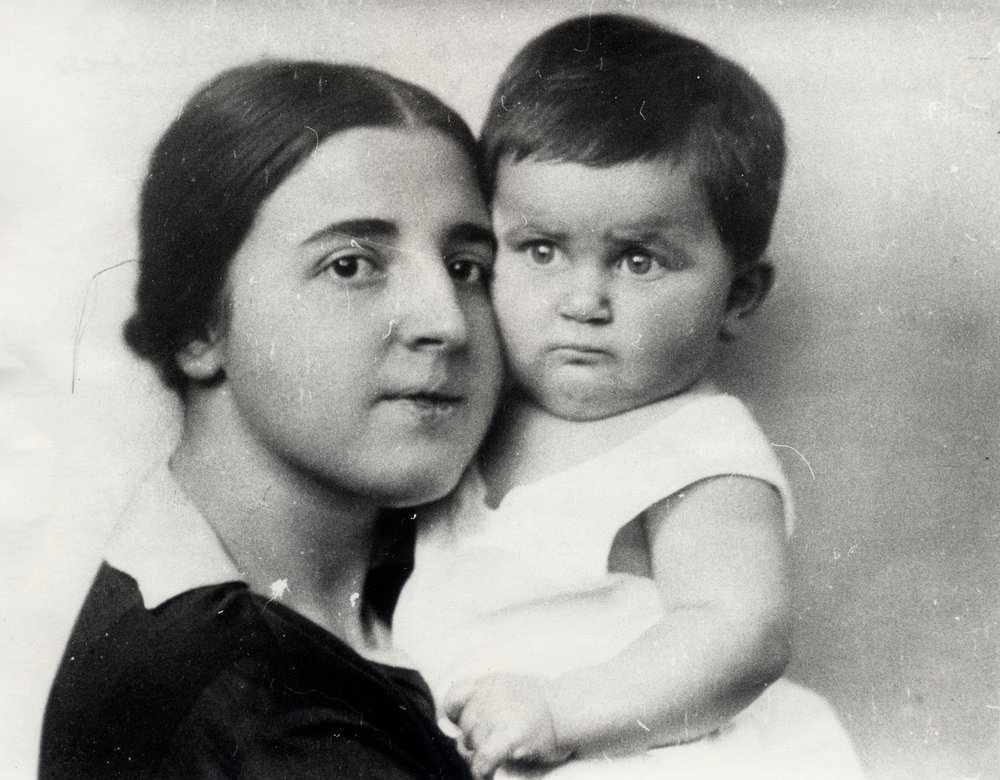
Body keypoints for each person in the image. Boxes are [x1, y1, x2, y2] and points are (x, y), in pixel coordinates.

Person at [393, 15, 865, 779]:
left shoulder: (698, 447)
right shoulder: (480, 403)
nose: (583, 301)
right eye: (541, 249)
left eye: (638, 261)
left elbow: (739, 634)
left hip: (637, 753)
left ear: (738, 297)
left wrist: (564, 712)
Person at [40, 59, 503, 778]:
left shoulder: (405, 580)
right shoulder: (263, 719)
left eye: (466, 267)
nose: (448, 322)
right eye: (351, 265)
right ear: (200, 326)